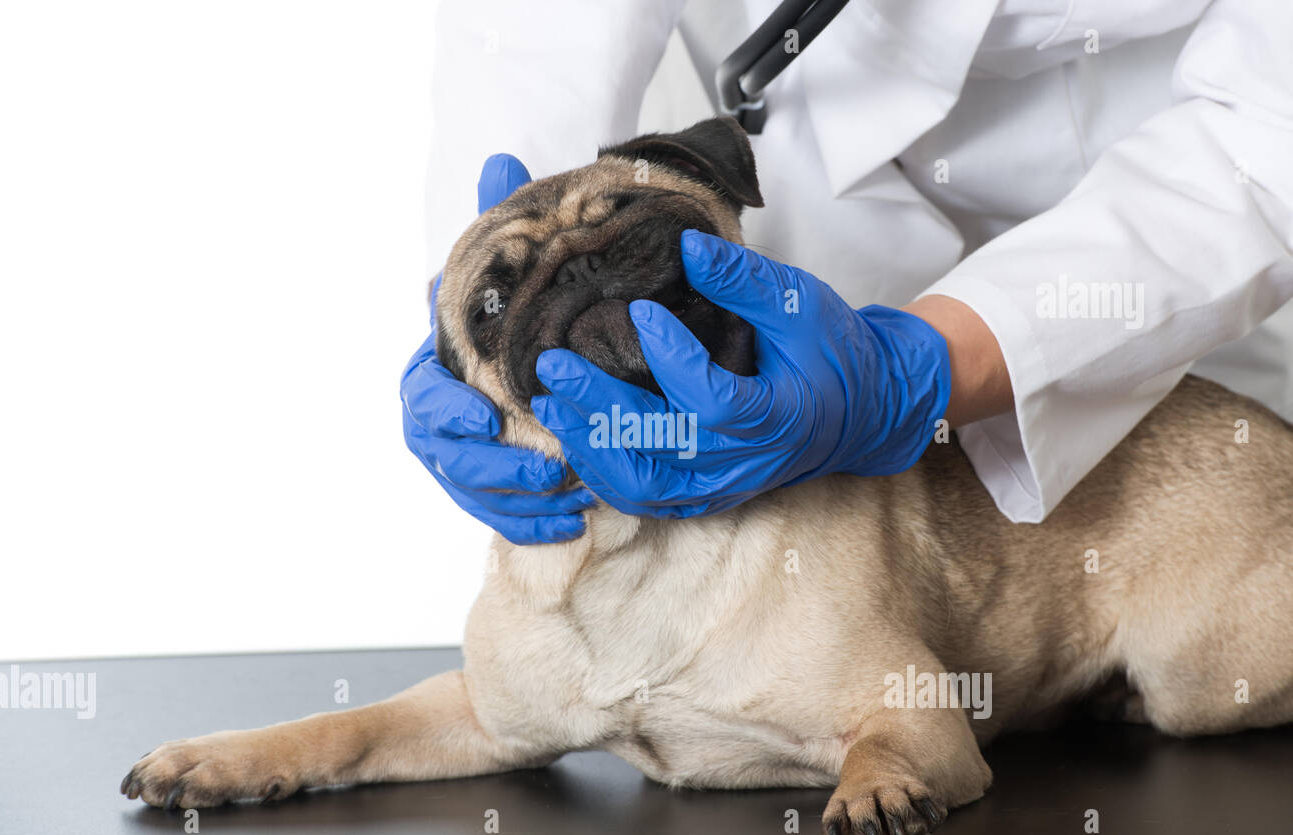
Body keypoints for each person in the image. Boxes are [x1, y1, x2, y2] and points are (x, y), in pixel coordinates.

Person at [403, 0, 1293, 545]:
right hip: (797, 182)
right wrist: (472, 299)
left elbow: (1269, 136)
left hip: (1158, 251)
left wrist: (924, 366)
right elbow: (535, 28)